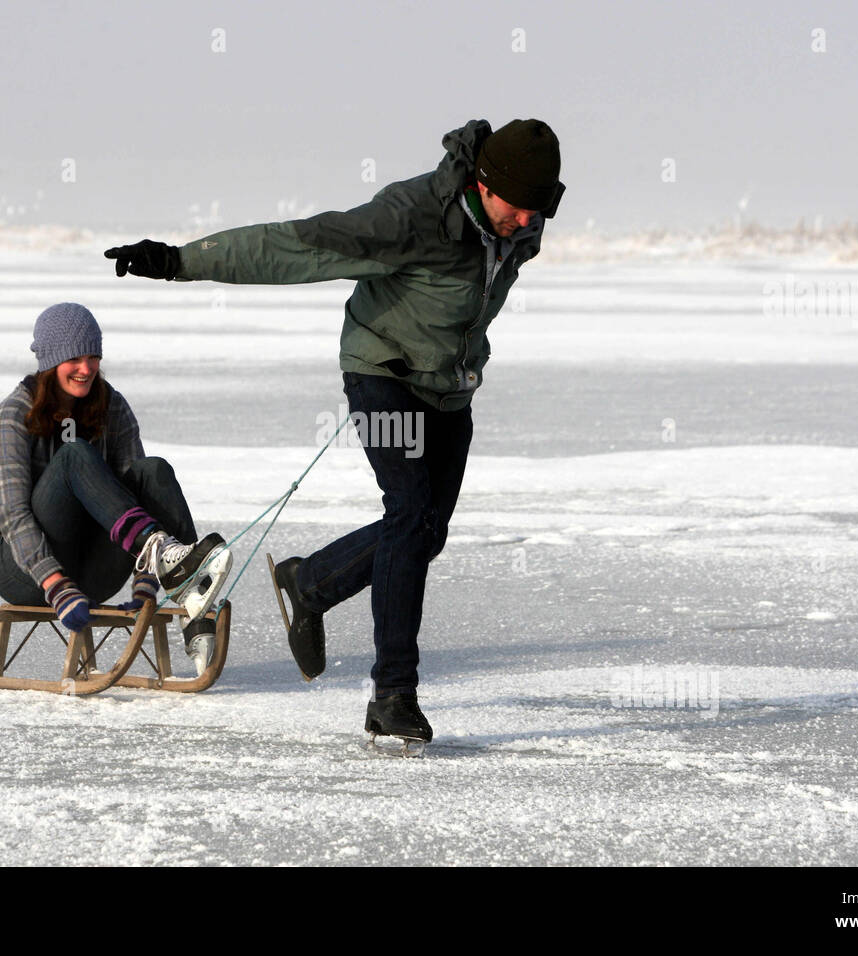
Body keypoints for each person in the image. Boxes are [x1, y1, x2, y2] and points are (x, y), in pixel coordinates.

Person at [105, 118, 564, 741]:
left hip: (450, 393)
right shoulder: (410, 216)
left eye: (539, 211)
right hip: (383, 374)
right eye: (517, 208)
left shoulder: (521, 226)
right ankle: (393, 696)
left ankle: (310, 583)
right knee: (408, 514)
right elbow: (299, 246)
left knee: (426, 532)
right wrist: (182, 260)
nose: (526, 222)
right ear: (483, 183)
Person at [0, 302, 233, 674]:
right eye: (75, 358)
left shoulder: (111, 406)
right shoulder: (13, 415)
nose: (86, 368)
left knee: (153, 471)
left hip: (90, 564)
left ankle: (191, 596)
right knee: (74, 454)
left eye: (93, 356)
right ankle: (168, 562)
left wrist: (145, 588)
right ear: (51, 362)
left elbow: (139, 498)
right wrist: (56, 585)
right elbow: (14, 517)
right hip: (19, 567)